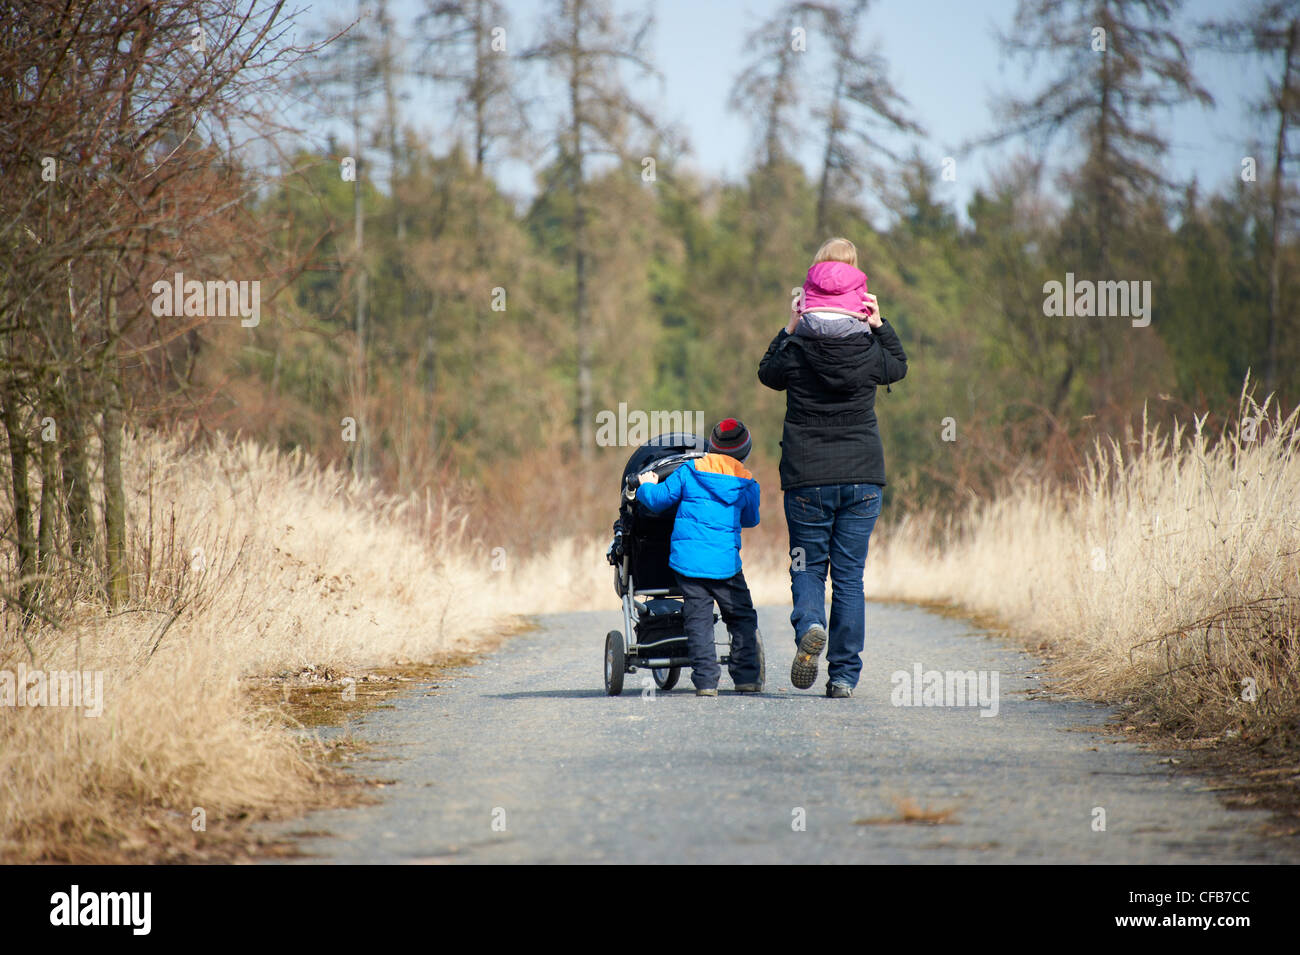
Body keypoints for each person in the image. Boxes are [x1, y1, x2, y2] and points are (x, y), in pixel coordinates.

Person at [758, 269, 908, 698]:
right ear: (859, 302)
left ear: (808, 300)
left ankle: (810, 624)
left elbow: (766, 372)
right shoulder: (869, 350)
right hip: (862, 481)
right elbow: (899, 366)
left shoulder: (796, 350)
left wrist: (789, 325)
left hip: (807, 481)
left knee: (806, 565)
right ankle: (843, 675)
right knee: (849, 578)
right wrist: (880, 324)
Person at [632, 419, 762, 696]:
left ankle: (705, 683)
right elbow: (751, 519)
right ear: (745, 453)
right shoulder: (748, 483)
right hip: (726, 564)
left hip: (689, 563)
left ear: (711, 447)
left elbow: (658, 501)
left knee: (699, 622)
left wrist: (646, 485)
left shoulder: (689, 470)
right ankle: (746, 677)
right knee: (741, 617)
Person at [792, 237, 873, 339]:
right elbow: (865, 304)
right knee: (868, 334)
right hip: (848, 325)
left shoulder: (813, 274)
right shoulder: (857, 277)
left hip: (812, 323)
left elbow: (801, 304)